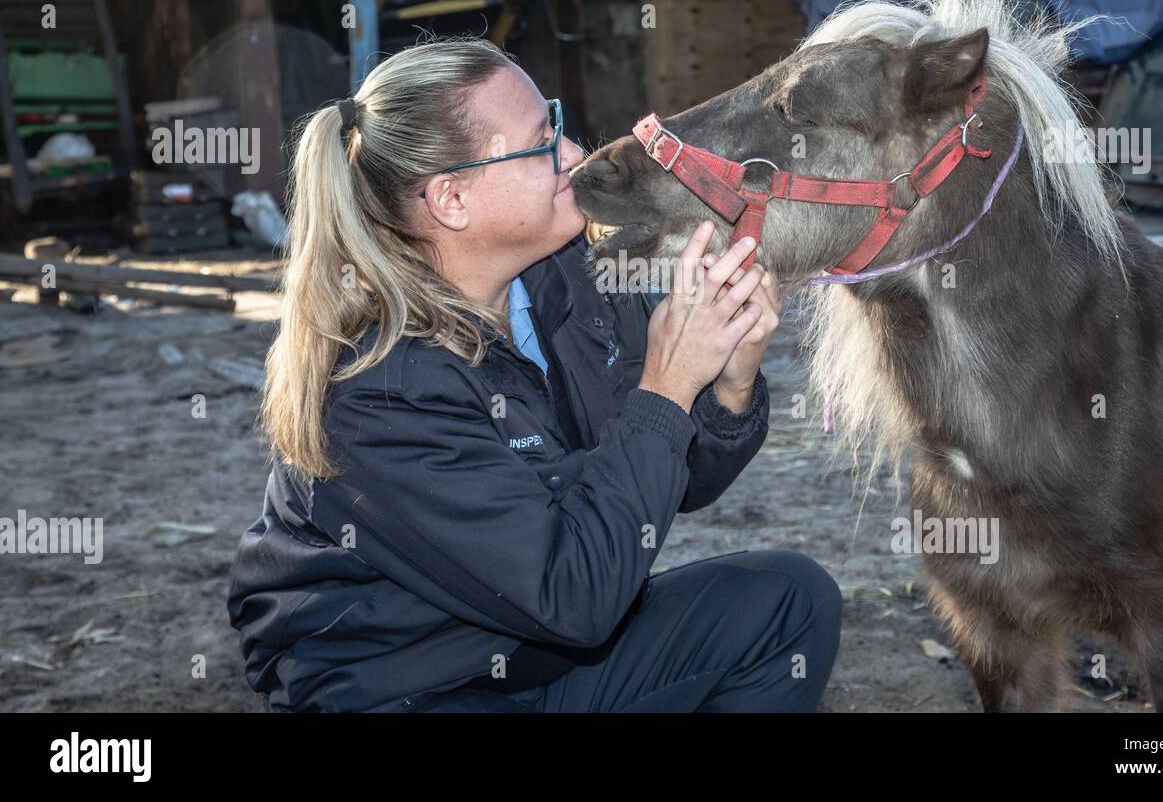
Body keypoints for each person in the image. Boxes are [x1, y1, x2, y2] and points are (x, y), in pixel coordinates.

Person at [226, 38, 842, 712]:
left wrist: (726, 381)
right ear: (451, 199)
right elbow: (571, 596)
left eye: (558, 123)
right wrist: (667, 385)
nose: (575, 155)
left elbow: (676, 479)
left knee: (789, 601)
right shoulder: (376, 387)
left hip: (538, 659)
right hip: (415, 689)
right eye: (541, 141)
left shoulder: (569, 282)